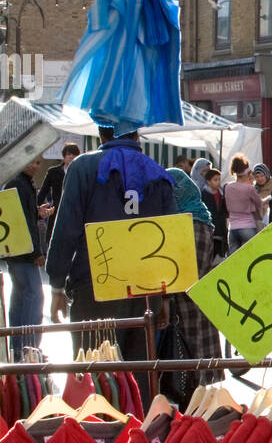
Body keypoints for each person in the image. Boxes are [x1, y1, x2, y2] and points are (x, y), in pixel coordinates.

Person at [46, 126, 176, 400]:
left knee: (94, 374)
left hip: (96, 285)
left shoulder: (83, 167)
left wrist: (56, 285)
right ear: (137, 136)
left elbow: (66, 228)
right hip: (146, 289)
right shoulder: (158, 172)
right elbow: (171, 238)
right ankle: (137, 436)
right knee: (138, 377)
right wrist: (166, 297)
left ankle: (97, 438)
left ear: (101, 134)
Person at [165, 168, 222, 384]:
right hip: (191, 306)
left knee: (193, 374)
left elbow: (192, 273)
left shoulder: (194, 223)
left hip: (190, 308)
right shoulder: (191, 217)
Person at [3, 158, 45, 359]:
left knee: (21, 298)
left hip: (17, 253)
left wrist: (37, 213)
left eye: (38, 163)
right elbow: (21, 222)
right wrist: (36, 252)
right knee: (33, 297)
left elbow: (24, 217)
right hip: (24, 253)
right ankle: (29, 349)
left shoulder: (19, 183)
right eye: (32, 162)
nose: (35, 166)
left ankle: (19, 348)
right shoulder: (18, 184)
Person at [224, 154, 266, 252]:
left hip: (232, 228)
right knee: (250, 258)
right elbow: (259, 204)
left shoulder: (227, 187)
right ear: (247, 173)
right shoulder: (249, 188)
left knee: (234, 261)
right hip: (247, 227)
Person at [38, 142, 80, 223]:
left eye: (74, 154)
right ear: (64, 156)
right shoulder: (53, 171)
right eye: (69, 154)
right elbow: (44, 191)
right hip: (56, 209)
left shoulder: (81, 172)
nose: (71, 156)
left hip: (75, 210)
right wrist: (36, 208)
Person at [201, 166, 228, 257]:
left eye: (219, 179)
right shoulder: (204, 194)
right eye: (215, 180)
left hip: (221, 228)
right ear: (208, 181)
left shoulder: (222, 194)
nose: (218, 182)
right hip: (210, 228)